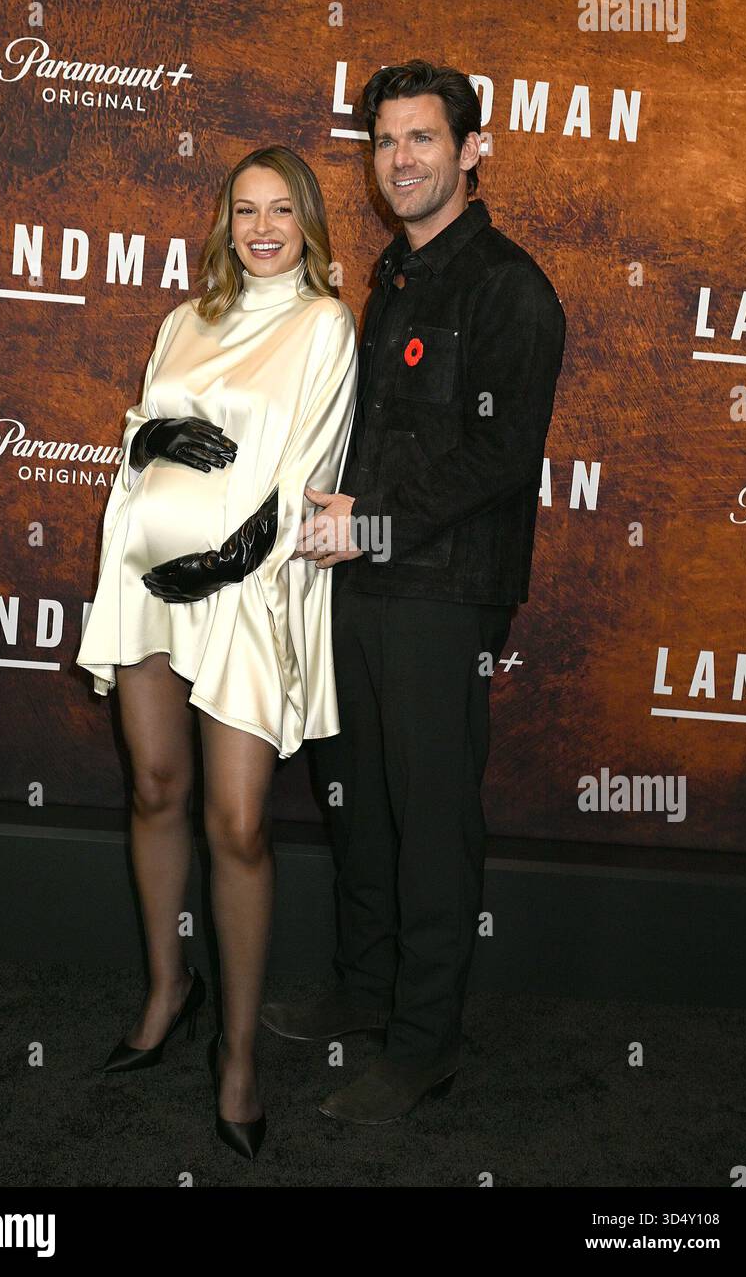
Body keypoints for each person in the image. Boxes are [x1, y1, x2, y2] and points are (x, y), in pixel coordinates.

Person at [261, 60, 566, 1124]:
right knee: (361, 809)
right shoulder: (387, 276)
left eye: (423, 138)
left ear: (472, 150)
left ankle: (424, 1044)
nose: (400, 159)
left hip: (439, 597)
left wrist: (368, 525)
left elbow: (496, 457)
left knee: (431, 823)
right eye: (385, 140)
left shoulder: (510, 290)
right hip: (358, 586)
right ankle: (364, 992)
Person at [76, 145, 357, 1157]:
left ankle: (237, 1055)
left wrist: (236, 555)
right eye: (246, 210)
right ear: (224, 220)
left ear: (308, 221)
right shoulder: (181, 319)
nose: (264, 227)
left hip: (244, 598)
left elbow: (313, 462)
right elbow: (140, 437)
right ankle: (167, 989)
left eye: (283, 210)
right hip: (147, 580)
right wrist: (145, 445)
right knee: (155, 788)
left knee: (237, 823)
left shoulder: (325, 324)